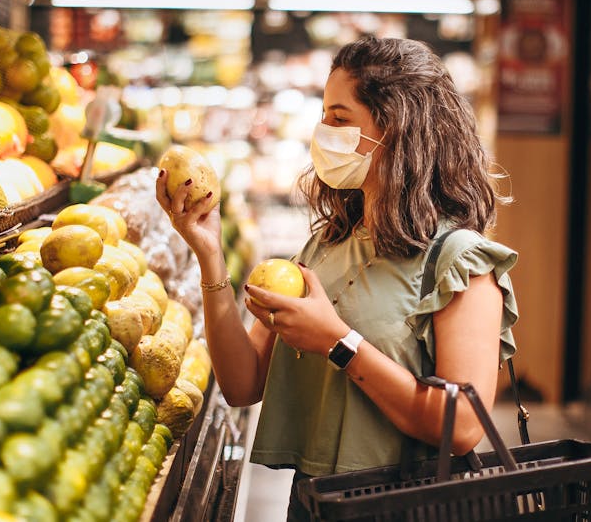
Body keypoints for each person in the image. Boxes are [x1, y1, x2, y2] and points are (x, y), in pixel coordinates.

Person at [155, 36, 518, 520]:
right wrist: (209, 253)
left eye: (339, 118)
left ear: (396, 128)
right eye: (324, 114)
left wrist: (336, 341)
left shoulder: (460, 261)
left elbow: (464, 427)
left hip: (405, 506)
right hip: (314, 503)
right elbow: (242, 385)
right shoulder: (325, 246)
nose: (322, 130)